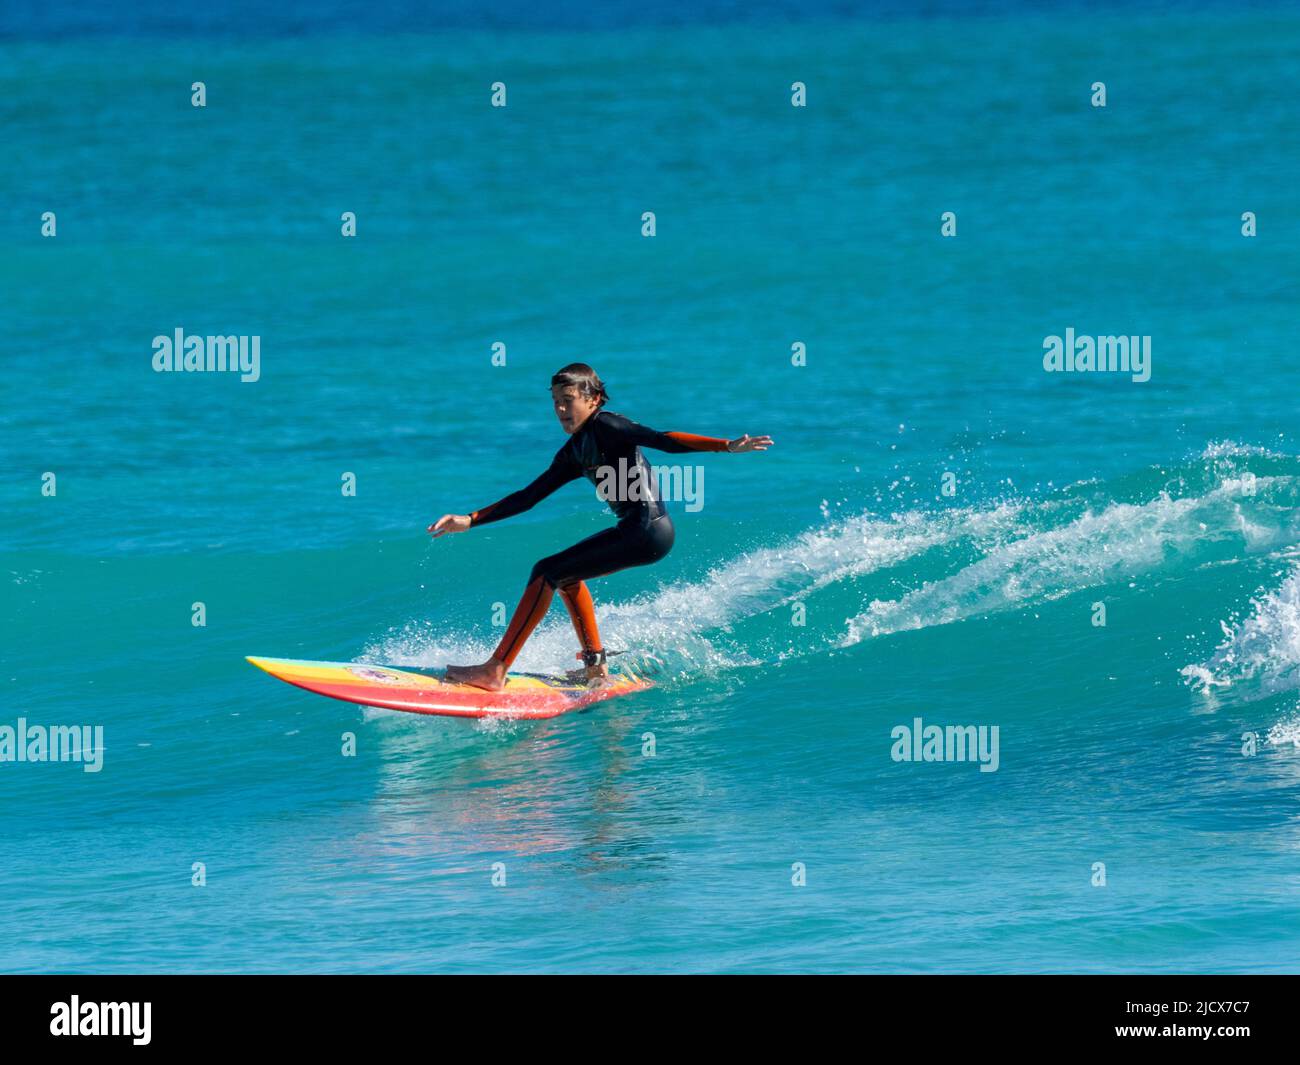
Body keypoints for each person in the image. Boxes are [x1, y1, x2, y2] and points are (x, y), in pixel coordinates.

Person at [428, 363, 772, 691]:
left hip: (647, 530)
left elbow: (663, 439)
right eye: (556, 403)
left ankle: (496, 670)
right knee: (565, 576)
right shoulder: (574, 451)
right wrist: (471, 519)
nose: (561, 410)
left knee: (545, 572)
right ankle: (595, 668)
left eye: (569, 401)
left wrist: (725, 446)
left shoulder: (608, 425)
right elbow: (529, 496)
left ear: (592, 400)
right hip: (637, 531)